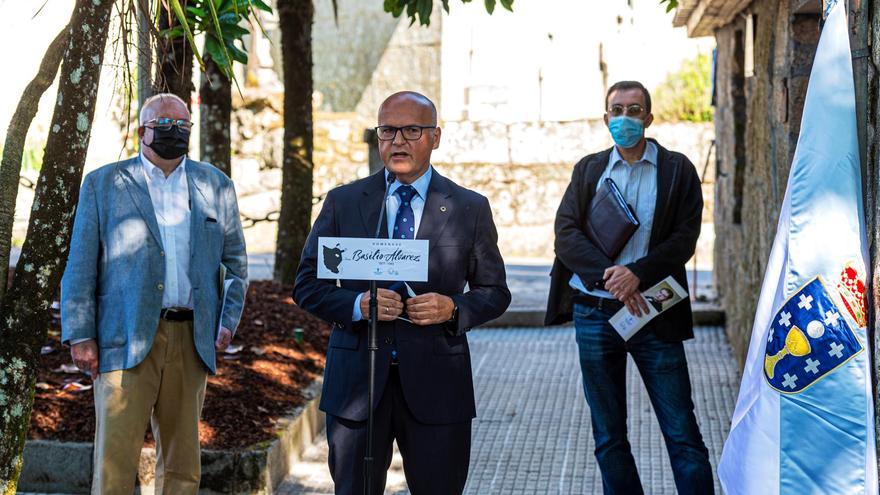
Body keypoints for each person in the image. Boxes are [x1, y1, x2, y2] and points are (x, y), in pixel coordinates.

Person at [293, 91, 510, 494]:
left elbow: (495, 292)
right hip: (358, 383)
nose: (398, 141)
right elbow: (306, 285)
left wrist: (453, 308)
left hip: (437, 384)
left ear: (435, 137)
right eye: (388, 131)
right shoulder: (343, 202)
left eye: (412, 130)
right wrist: (357, 305)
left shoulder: (469, 208)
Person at [61, 93, 248, 495]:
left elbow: (236, 263)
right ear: (141, 131)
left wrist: (228, 321)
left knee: (183, 466)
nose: (173, 131)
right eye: (163, 124)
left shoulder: (216, 185)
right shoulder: (104, 184)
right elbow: (80, 265)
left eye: (182, 124)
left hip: (191, 339)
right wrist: (80, 334)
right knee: (114, 464)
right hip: (122, 337)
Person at [545, 81, 713, 494]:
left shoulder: (677, 170)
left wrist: (637, 272)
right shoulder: (589, 169)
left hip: (654, 313)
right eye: (617, 110)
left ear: (648, 118)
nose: (625, 118)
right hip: (594, 315)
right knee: (609, 437)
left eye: (634, 110)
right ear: (606, 118)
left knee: (682, 432)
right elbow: (566, 234)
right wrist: (612, 275)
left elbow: (685, 239)